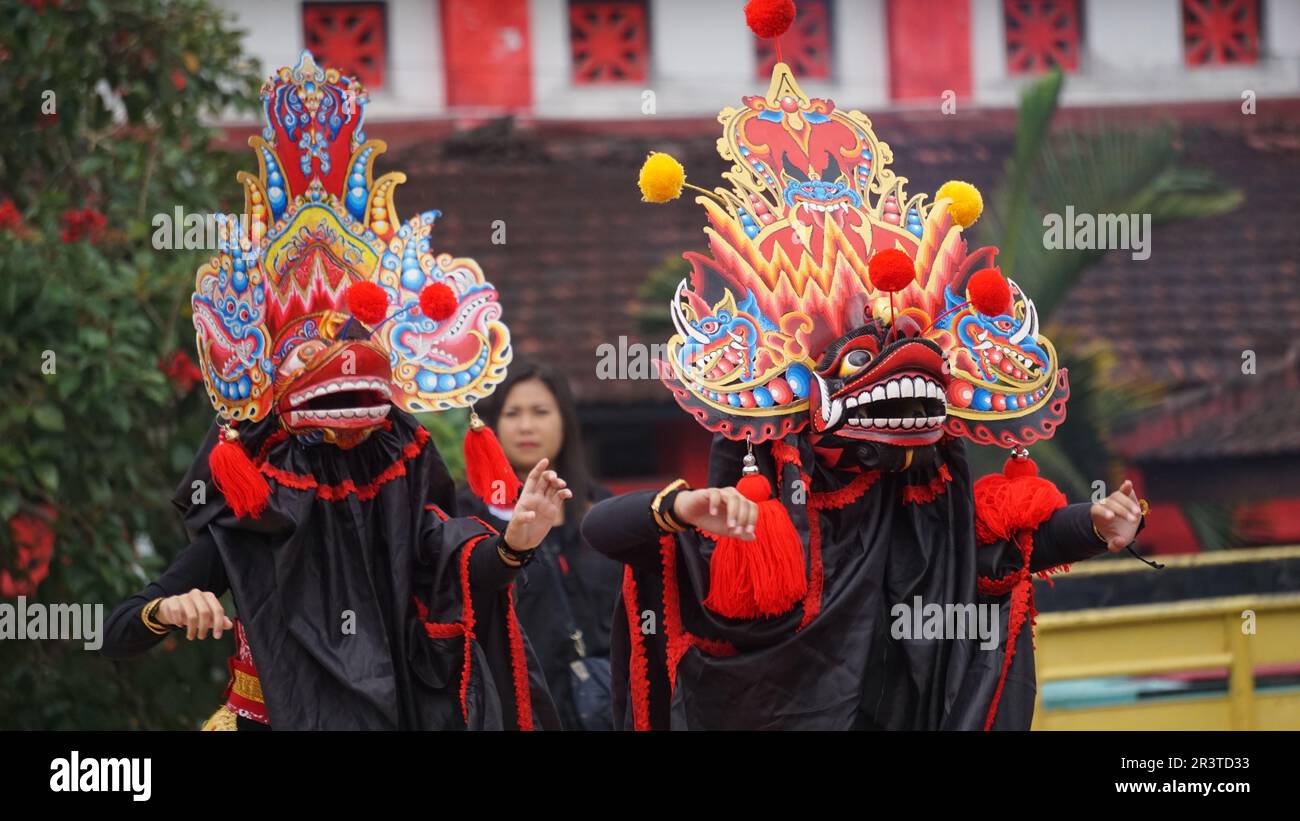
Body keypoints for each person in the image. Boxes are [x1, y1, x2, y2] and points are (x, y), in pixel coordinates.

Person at [583, 11, 1146, 731]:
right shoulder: (754, 509)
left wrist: (1097, 524)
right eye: (858, 357)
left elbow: (997, 555)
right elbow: (605, 530)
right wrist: (679, 507)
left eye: (910, 342)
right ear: (800, 389)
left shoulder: (925, 495)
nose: (905, 363)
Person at [100, 52, 569, 731]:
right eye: (312, 354)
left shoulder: (403, 482)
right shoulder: (250, 512)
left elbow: (459, 580)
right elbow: (117, 631)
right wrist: (162, 609)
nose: (338, 363)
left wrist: (516, 543)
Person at [458, 361, 623, 730]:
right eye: (512, 413)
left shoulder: (601, 510)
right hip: (514, 709)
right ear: (494, 423)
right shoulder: (468, 515)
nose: (527, 426)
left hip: (601, 706)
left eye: (541, 412)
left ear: (564, 421)